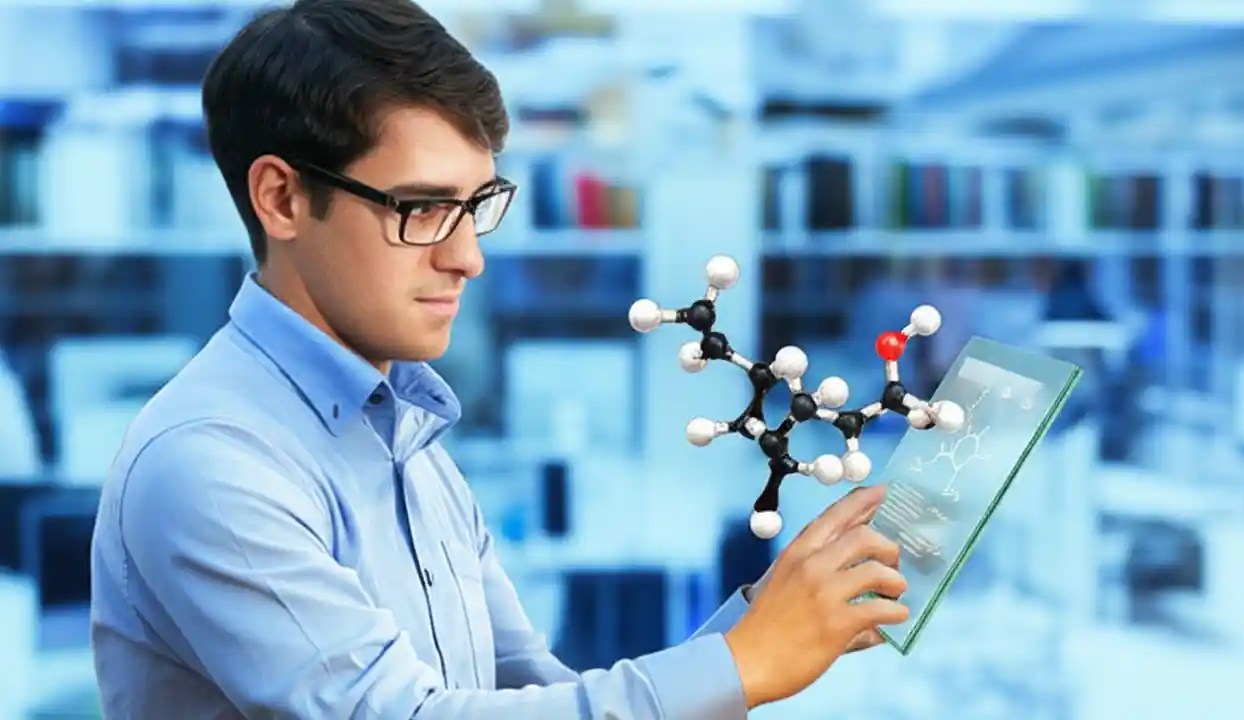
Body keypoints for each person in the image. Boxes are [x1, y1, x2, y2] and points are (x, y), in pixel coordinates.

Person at [88, 1, 910, 718]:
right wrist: (745, 661)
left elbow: (528, 696)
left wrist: (765, 622)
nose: (467, 258)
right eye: (422, 209)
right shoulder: (211, 461)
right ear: (282, 198)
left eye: (476, 206)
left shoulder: (405, 440)